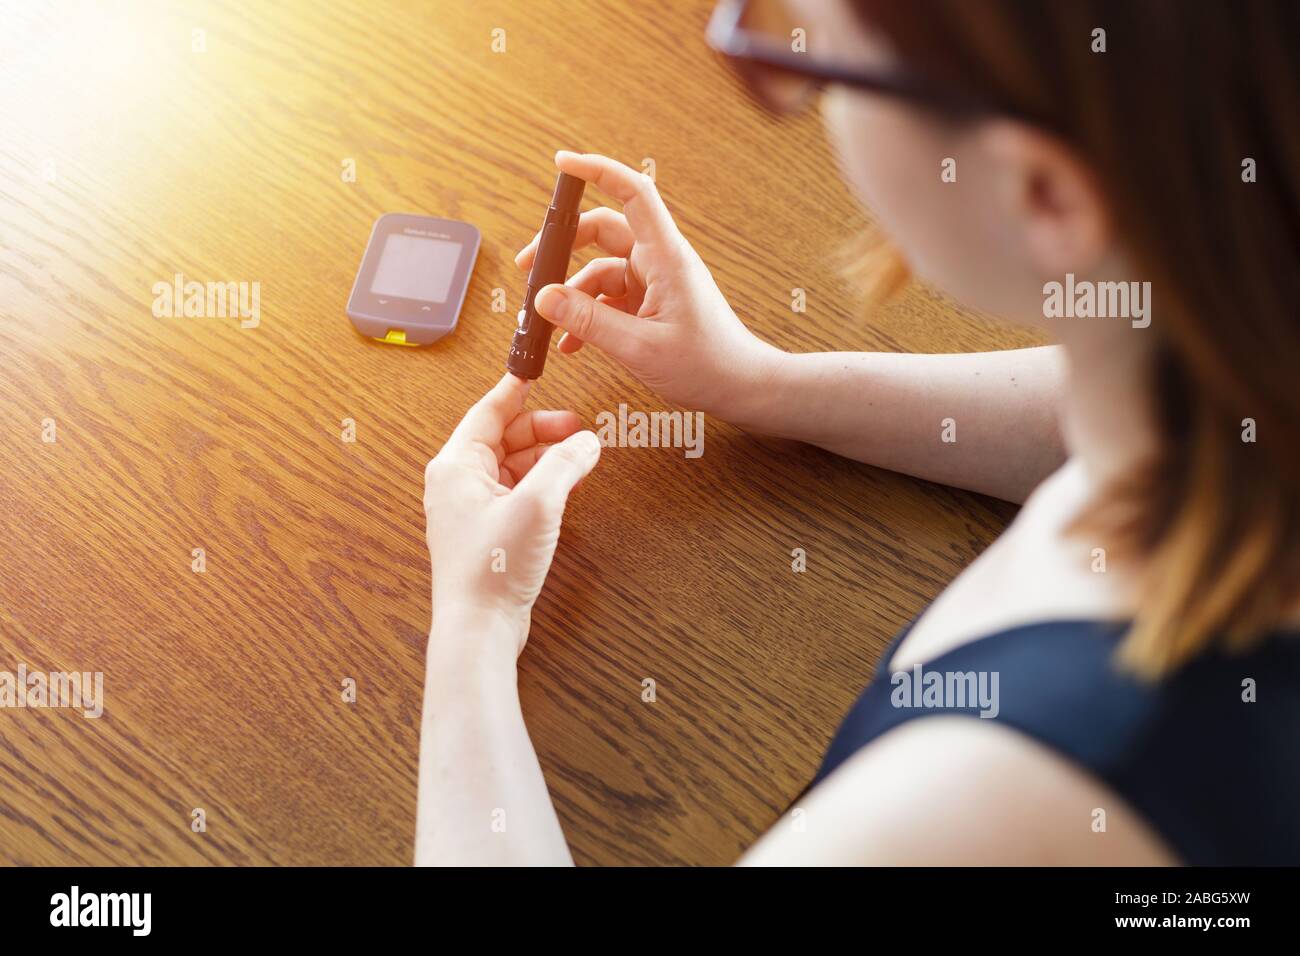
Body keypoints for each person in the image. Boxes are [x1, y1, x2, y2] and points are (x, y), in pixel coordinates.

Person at [414, 0, 1300, 865]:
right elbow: (1115, 406)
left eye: (820, 61)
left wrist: (472, 623)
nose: (805, 98)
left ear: (1046, 194)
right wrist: (760, 383)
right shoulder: (1235, 348)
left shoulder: (1004, 803)